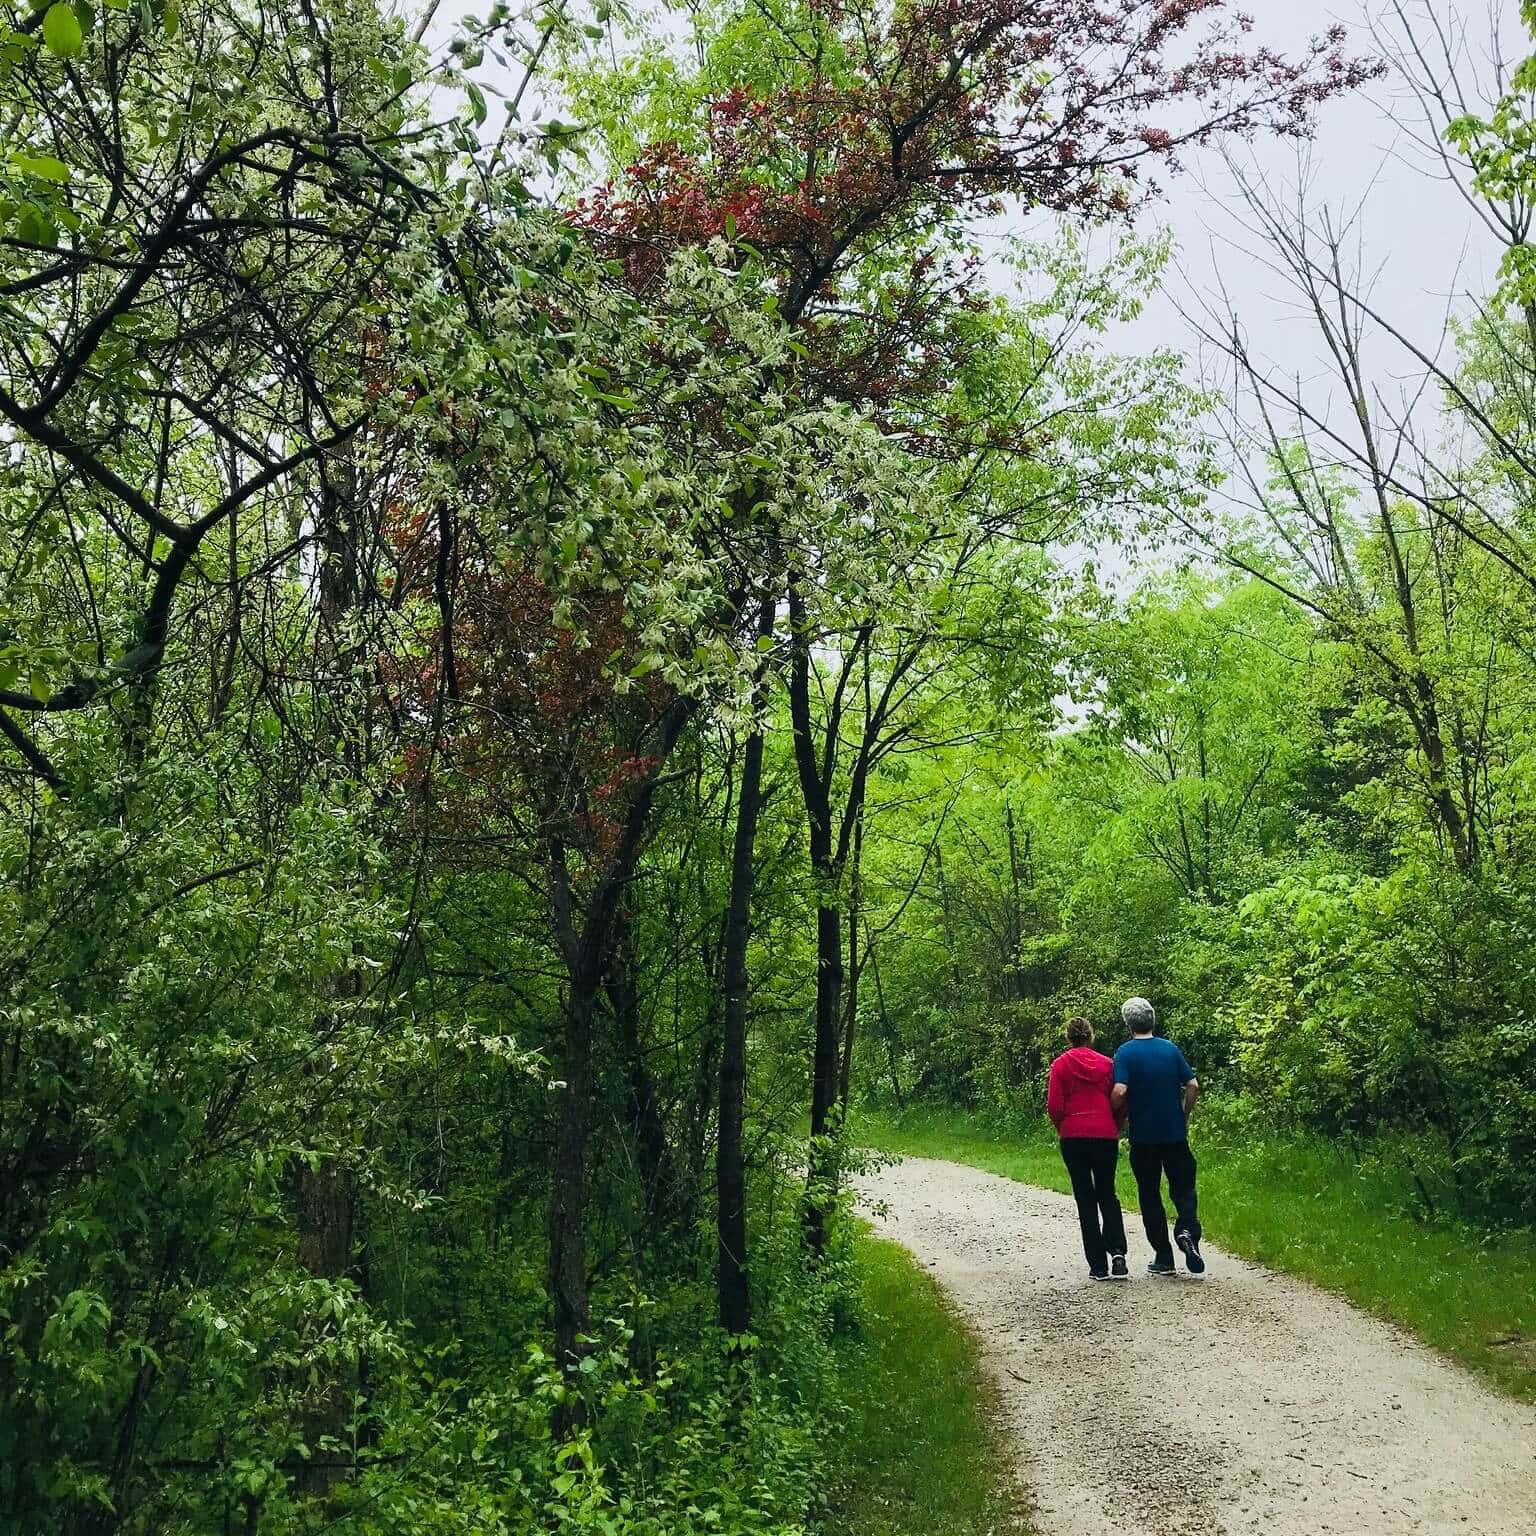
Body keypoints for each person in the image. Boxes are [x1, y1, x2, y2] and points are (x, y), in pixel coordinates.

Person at [1111, 997, 1204, 1275]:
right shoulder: (1169, 1049)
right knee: (1183, 1187)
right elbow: (1193, 1085)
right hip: (1174, 1133)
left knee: (1149, 1193)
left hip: (1144, 1137)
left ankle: (1164, 1257)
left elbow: (1120, 1090)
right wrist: (1184, 1114)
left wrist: (1113, 1114)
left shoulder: (1125, 1053)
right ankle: (1186, 1231)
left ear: (1128, 1024)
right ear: (1153, 1020)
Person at [1046, 1016, 1129, 1282]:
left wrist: (1063, 1127)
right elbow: (1121, 1098)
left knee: (1085, 1197)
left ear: (1068, 1037)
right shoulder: (1108, 1064)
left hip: (1074, 1136)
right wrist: (1114, 1124)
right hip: (1104, 1134)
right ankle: (1118, 1252)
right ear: (1091, 1036)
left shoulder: (1060, 1065)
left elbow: (1054, 1106)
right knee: (1107, 1193)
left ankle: (1098, 1265)